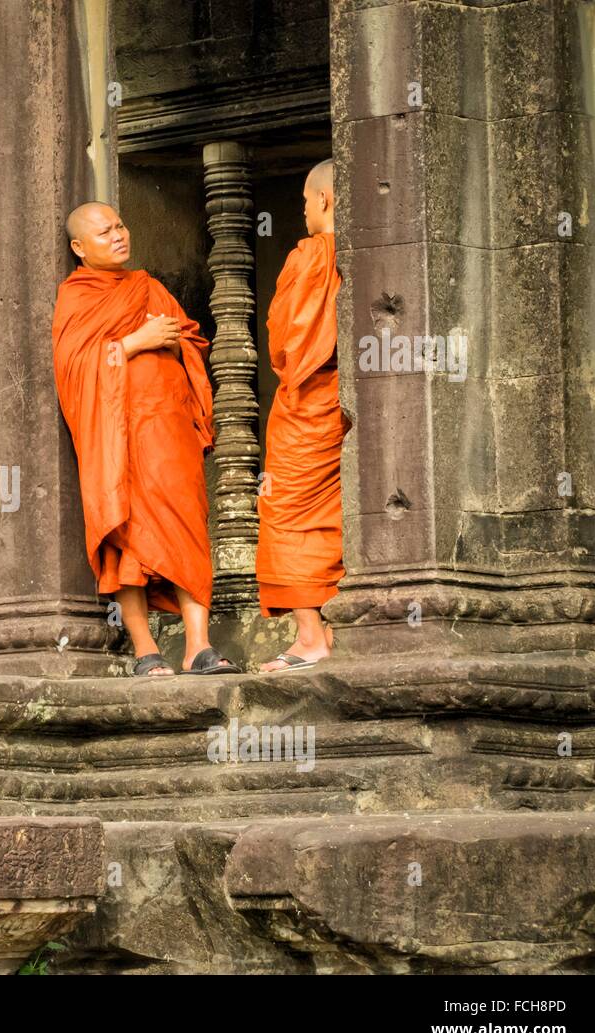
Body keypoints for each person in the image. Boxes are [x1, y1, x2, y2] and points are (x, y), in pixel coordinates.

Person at [52, 201, 239, 676]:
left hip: (170, 435)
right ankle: (145, 650)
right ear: (79, 247)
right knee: (127, 543)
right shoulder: (76, 297)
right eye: (104, 232)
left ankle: (199, 646)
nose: (118, 235)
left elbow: (192, 341)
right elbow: (73, 369)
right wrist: (136, 342)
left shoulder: (149, 286)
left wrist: (174, 341)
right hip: (118, 442)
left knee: (188, 529)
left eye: (120, 225)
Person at [256, 159, 350, 672]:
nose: (305, 212)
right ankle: (333, 629)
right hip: (343, 402)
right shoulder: (363, 255)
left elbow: (285, 339)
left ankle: (311, 637)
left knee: (286, 512)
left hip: (306, 402)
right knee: (336, 512)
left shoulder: (311, 255)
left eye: (305, 203)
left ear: (324, 200)